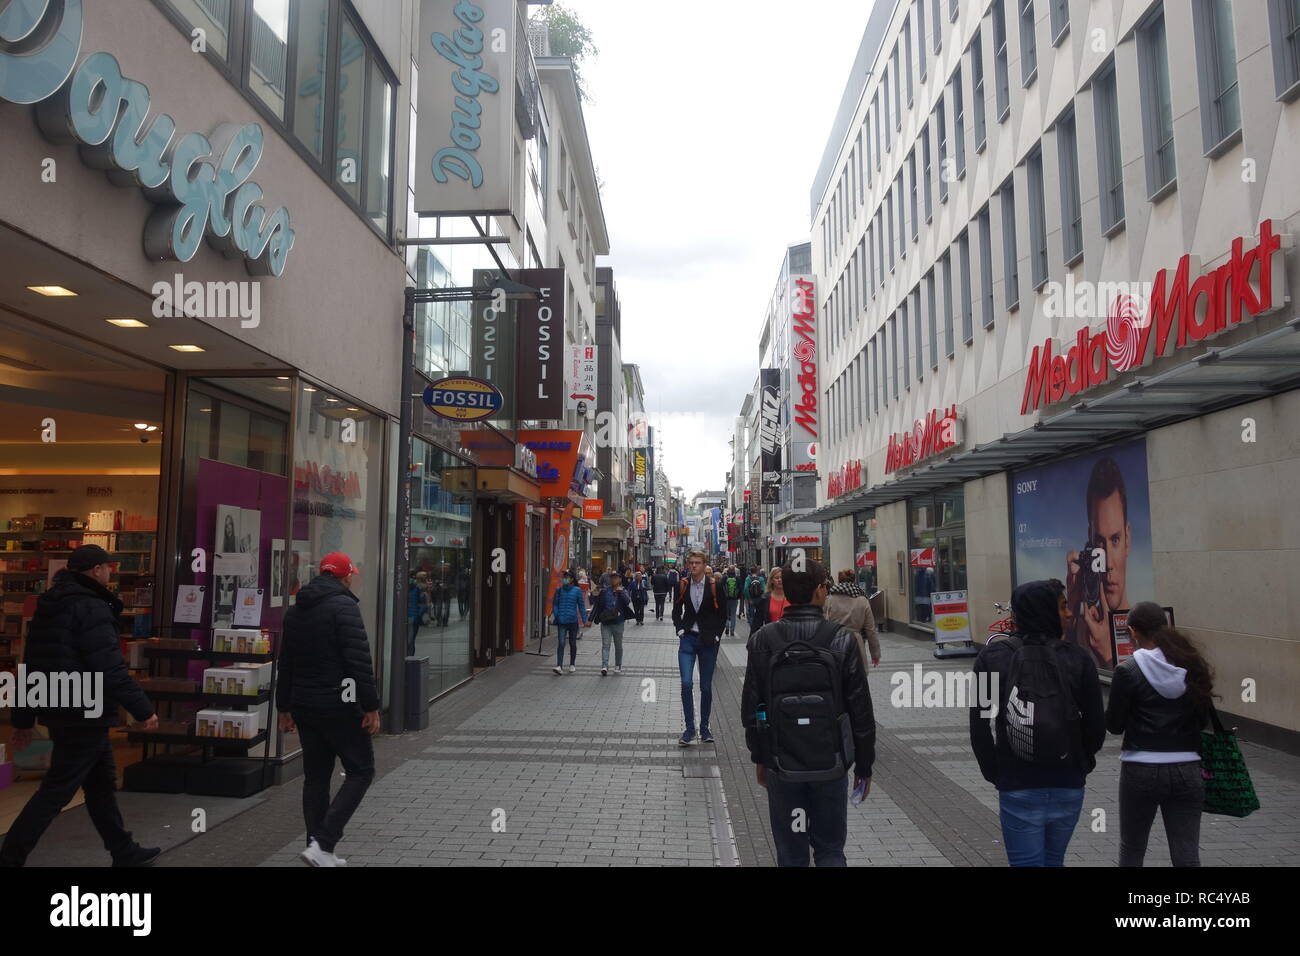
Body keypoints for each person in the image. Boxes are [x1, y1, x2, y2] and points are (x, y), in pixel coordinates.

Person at [1, 545, 160, 868]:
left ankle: (123, 851)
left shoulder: (51, 604)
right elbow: (109, 667)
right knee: (57, 790)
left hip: (63, 705)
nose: (110, 573)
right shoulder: (91, 607)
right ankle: (9, 856)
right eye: (106, 568)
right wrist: (143, 709)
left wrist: (22, 718)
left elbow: (32, 662)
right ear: (95, 571)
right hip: (82, 709)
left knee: (100, 785)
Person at [741, 558, 875, 867]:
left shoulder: (764, 640)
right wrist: (864, 766)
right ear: (817, 591)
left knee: (791, 853)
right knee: (829, 850)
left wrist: (760, 757)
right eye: (825, 587)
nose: (827, 592)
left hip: (781, 761)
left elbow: (753, 708)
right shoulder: (840, 639)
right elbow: (860, 709)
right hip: (831, 762)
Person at [969, 579, 1106, 867]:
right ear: (1046, 611)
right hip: (1067, 781)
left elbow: (980, 725)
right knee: (1054, 861)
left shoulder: (992, 657)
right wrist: (1082, 762)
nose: (1069, 613)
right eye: (1063, 606)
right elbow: (1096, 725)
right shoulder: (1078, 658)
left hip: (1017, 781)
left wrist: (996, 772)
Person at [277, 552, 380, 867]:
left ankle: (318, 849)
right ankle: (324, 842)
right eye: (351, 574)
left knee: (316, 776)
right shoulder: (344, 607)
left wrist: (284, 707)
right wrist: (371, 706)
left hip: (306, 706)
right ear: (345, 576)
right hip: (339, 704)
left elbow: (287, 663)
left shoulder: (296, 611)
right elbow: (358, 660)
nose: (352, 579)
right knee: (361, 770)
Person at [1106, 602, 1213, 867]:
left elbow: (1115, 725)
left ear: (1132, 631)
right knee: (1186, 852)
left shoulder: (1127, 671)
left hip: (1140, 767)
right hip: (1187, 768)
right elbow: (1202, 721)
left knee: (1132, 849)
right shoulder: (1192, 666)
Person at [1066, 456, 1133, 669]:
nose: (1108, 564)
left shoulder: (1143, 628)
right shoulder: (1081, 624)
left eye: (1115, 540)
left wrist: (1107, 657)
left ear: (1127, 540)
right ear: (1089, 539)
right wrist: (1072, 605)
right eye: (1098, 542)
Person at [671, 550, 727, 746]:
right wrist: (679, 630)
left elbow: (724, 613)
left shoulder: (715, 585)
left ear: (704, 565)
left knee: (705, 686)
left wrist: (717, 636)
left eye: (697, 563)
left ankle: (704, 728)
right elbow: (676, 610)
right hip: (688, 639)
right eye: (691, 563)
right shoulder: (683, 584)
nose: (693, 566)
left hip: (707, 641)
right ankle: (689, 729)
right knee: (686, 683)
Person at [824, 569, 881, 668]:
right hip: (856, 643)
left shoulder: (830, 599)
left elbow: (823, 622)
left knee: (836, 675)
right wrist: (875, 655)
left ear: (839, 580)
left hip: (834, 642)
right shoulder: (863, 600)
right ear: (854, 580)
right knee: (857, 676)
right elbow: (870, 630)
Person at [594, 572, 635, 676]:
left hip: (618, 622)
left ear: (620, 580)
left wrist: (620, 592)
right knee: (605, 645)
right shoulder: (604, 591)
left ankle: (618, 664)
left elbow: (627, 601)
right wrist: (591, 619)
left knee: (618, 646)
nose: (613, 580)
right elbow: (598, 605)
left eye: (616, 578)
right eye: (612, 578)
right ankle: (604, 665)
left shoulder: (623, 591)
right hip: (606, 622)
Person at [551, 570, 589, 674]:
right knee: (561, 643)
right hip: (561, 621)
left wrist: (585, 620)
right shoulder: (559, 590)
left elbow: (581, 606)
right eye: (564, 577)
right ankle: (559, 665)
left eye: (567, 577)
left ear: (572, 579)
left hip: (572, 621)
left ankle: (572, 664)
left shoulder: (577, 590)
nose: (565, 579)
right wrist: (557, 614)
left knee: (572, 643)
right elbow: (555, 604)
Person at [720, 565, 742, 637]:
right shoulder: (738, 578)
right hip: (734, 599)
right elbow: (740, 588)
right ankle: (732, 630)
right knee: (733, 615)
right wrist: (738, 596)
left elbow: (720, 587)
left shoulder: (724, 578)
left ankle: (726, 628)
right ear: (734, 571)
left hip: (726, 599)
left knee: (726, 615)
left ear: (728, 570)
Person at [743, 566, 767, 631]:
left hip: (752, 599)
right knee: (759, 614)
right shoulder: (761, 579)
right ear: (757, 571)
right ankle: (758, 627)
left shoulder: (748, 579)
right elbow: (764, 589)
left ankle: (753, 627)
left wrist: (749, 598)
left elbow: (745, 589)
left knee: (751, 614)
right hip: (759, 599)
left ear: (750, 572)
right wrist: (762, 597)